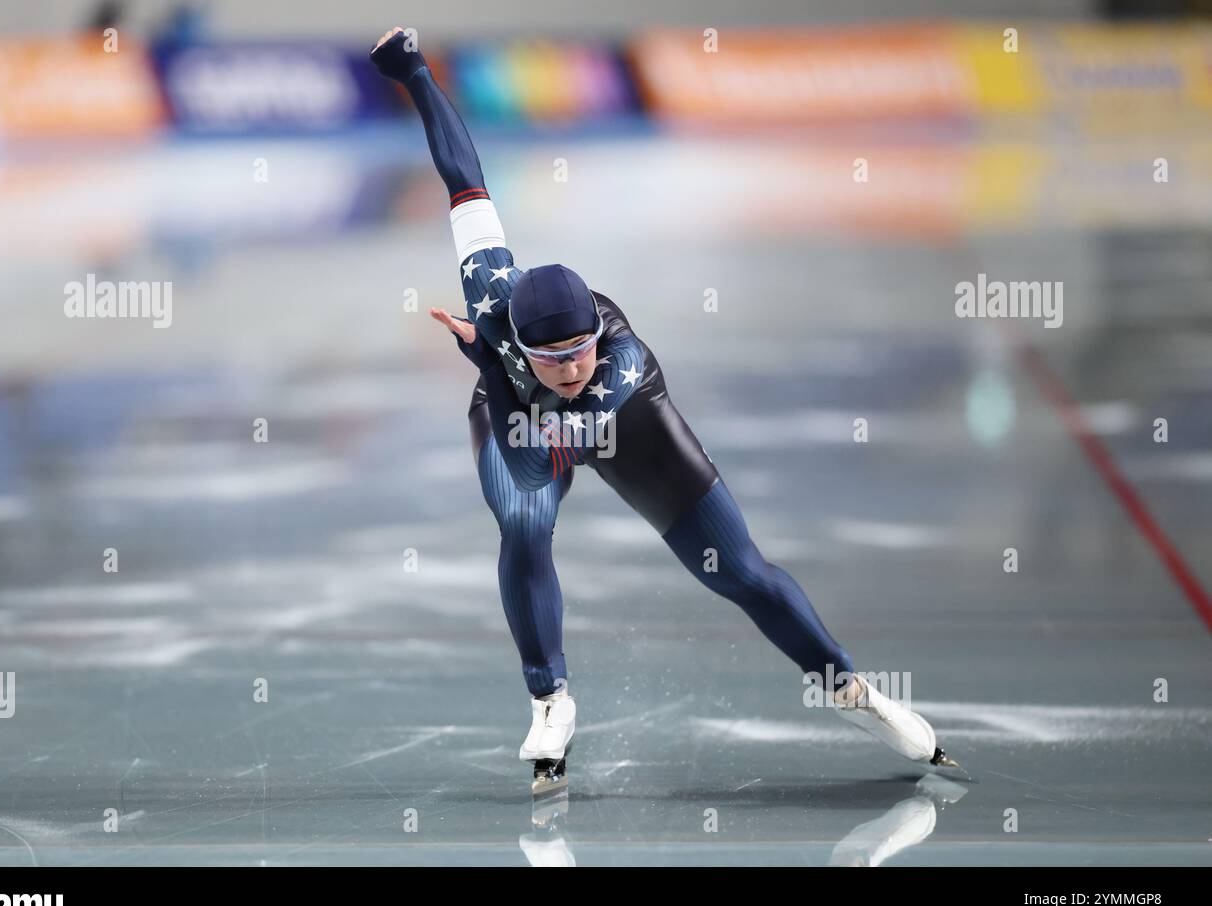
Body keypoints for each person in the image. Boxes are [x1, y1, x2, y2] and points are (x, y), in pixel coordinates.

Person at [369, 27, 955, 788]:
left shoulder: (621, 364)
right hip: (515, 413)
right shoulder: (489, 288)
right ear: (520, 336)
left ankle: (848, 687)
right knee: (522, 519)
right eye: (553, 358)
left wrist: (493, 356)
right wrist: (414, 70)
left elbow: (580, 420)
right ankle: (551, 700)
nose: (572, 367)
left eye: (579, 351)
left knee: (739, 570)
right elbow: (463, 175)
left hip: (625, 423)